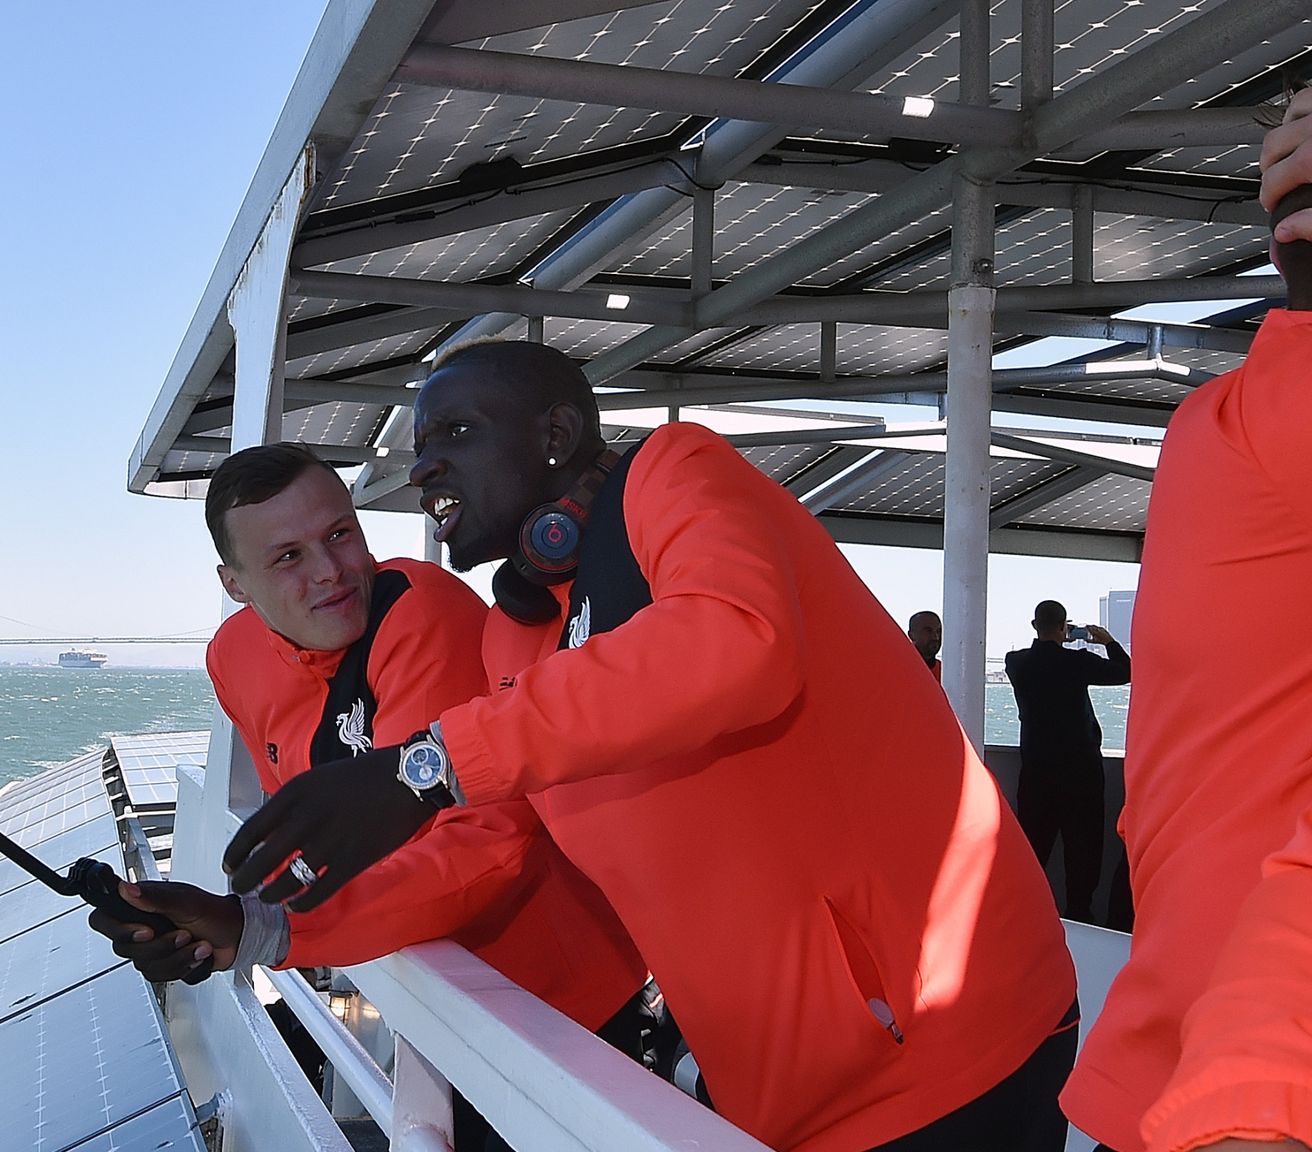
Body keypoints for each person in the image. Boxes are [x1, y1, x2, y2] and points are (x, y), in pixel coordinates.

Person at [223, 341, 1078, 1152]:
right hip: (786, 1098)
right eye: (420, 447)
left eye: (455, 433)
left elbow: (734, 639)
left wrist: (427, 766)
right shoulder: (516, 637)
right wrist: (260, 927)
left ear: (557, 435)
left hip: (950, 1053)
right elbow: (484, 842)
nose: (423, 469)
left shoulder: (675, 471)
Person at [88, 443, 654, 1149]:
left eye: (339, 533)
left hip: (557, 1000)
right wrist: (208, 926)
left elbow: (483, 844)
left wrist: (261, 928)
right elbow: (305, 831)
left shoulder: (424, 617)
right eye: (287, 557)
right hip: (420, 984)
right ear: (235, 585)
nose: (330, 571)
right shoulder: (233, 658)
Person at [1060, 88, 1312, 1152]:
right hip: (1161, 1055)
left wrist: (1263, 1083)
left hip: (1247, 1092)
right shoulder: (1216, 417)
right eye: (1287, 118)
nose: (1289, 138)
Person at [1003, 601, 1131, 922]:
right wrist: (1108, 642)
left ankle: (1025, 917)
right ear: (1064, 627)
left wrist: (1058, 638)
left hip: (1037, 772)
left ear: (1034, 625)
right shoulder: (1078, 662)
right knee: (1083, 853)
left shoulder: (1016, 663)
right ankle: (1079, 917)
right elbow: (1125, 671)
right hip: (1081, 773)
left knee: (1034, 850)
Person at [907, 611, 942, 680]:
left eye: (938, 631)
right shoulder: (899, 668)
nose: (936, 637)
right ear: (911, 635)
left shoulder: (946, 672)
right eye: (928, 631)